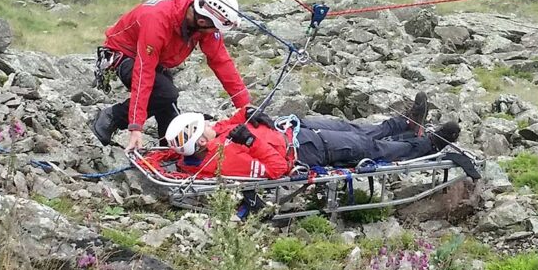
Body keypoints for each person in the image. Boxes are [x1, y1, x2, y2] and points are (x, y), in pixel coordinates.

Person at [90, 0, 251, 151]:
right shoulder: (157, 21)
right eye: (215, 29)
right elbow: (143, 73)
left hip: (158, 59)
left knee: (168, 105)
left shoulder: (200, 23)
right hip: (124, 54)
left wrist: (245, 107)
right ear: (201, 22)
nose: (215, 33)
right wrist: (136, 127)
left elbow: (221, 62)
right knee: (165, 93)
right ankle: (112, 116)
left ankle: (169, 149)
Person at [160, 92, 462, 179]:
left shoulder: (214, 139)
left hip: (293, 130)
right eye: (204, 124)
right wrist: (251, 141)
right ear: (200, 141)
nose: (211, 122)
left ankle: (405, 125)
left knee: (354, 129)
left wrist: (248, 115)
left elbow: (230, 122)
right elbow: (278, 169)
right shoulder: (223, 161)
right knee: (368, 147)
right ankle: (429, 144)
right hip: (303, 151)